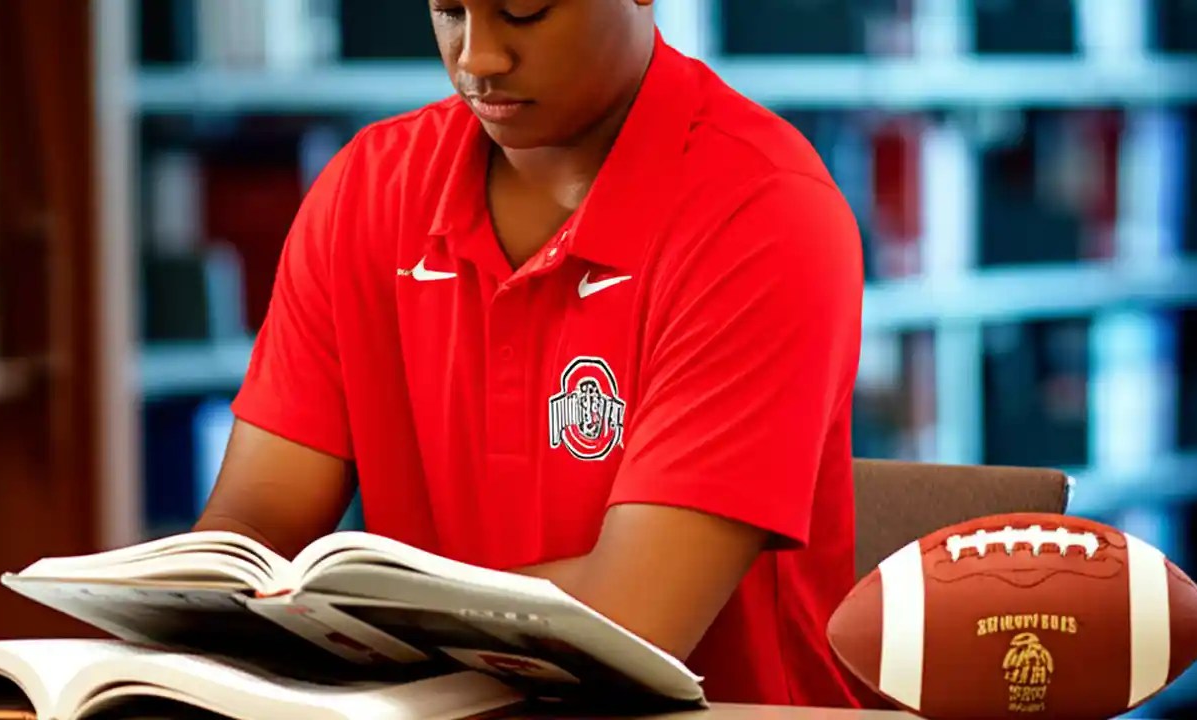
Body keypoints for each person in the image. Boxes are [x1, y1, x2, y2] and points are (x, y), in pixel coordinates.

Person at [194, 0, 864, 708]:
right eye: (450, 11)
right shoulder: (365, 192)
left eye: (524, 10)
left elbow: (632, 624)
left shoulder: (762, 213)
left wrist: (353, 622)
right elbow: (249, 536)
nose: (477, 59)